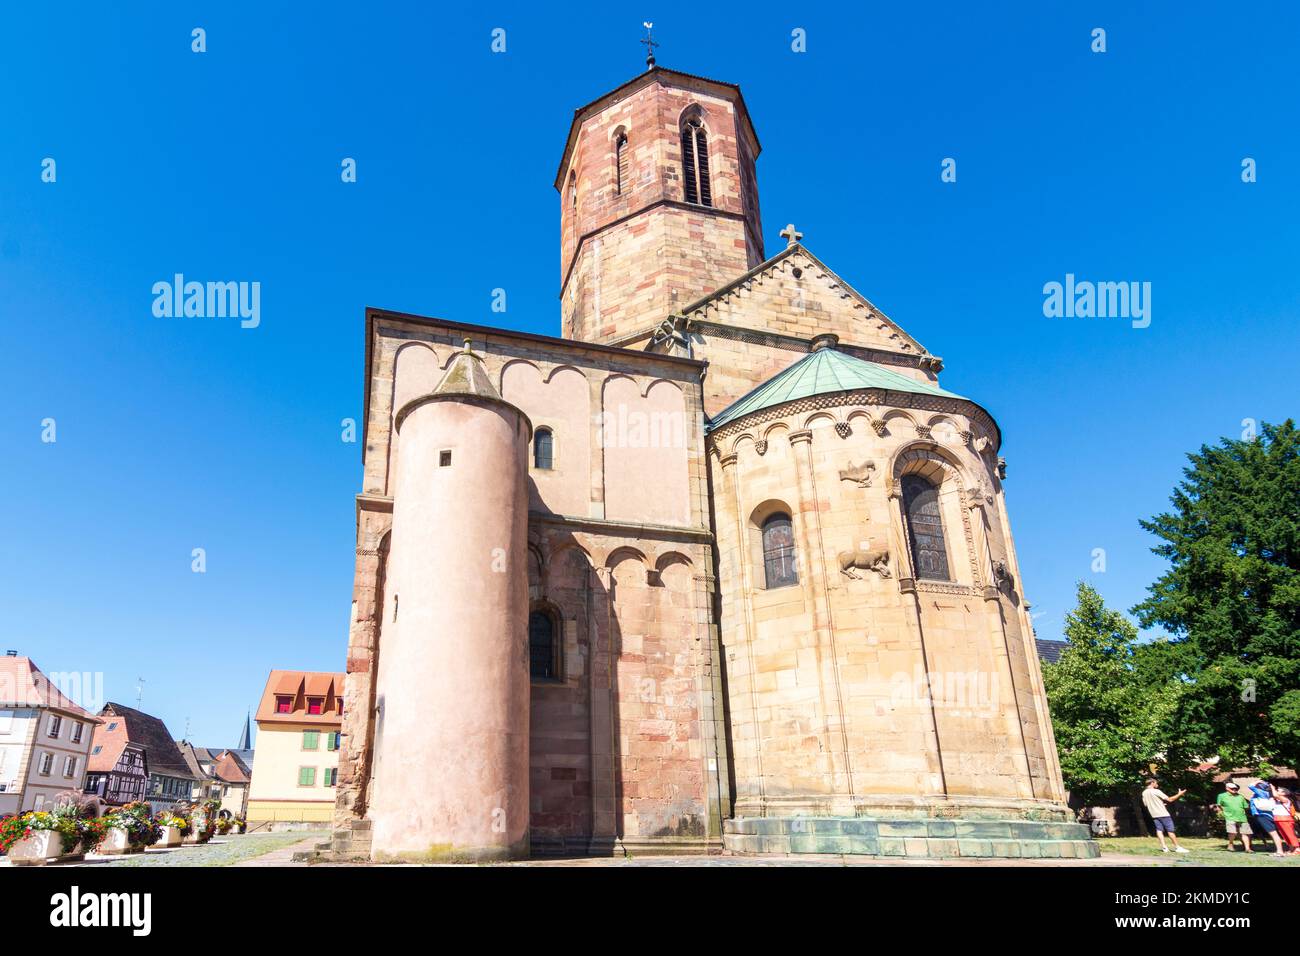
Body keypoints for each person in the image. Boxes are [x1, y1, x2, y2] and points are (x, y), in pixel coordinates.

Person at [1142, 778, 1189, 853]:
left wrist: (1161, 803)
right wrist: (1179, 794)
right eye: (1156, 783)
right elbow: (1170, 799)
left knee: (1159, 830)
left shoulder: (1144, 792)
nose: (1157, 784)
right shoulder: (1156, 791)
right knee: (1170, 830)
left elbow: (1146, 804)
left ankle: (1164, 848)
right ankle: (1177, 847)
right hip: (1163, 814)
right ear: (1152, 783)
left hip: (1154, 815)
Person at [1247, 780, 1286, 857]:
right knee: (1274, 834)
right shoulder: (1267, 793)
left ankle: (1280, 851)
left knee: (1274, 834)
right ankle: (1279, 850)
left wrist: (1258, 781)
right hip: (1268, 815)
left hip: (1263, 815)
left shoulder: (1260, 792)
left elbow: (1250, 786)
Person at [1215, 781, 1252, 853]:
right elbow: (1219, 805)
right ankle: (1231, 844)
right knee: (1233, 832)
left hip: (1242, 817)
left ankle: (1247, 848)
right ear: (1227, 788)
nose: (1234, 790)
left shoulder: (1240, 796)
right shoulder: (1221, 796)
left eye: (1235, 788)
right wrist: (1223, 812)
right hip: (1230, 817)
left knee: (1245, 833)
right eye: (1232, 788)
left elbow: (1246, 806)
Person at [1271, 786, 1300, 855]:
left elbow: (1275, 794)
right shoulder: (1277, 800)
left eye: (1278, 790)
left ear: (1284, 793)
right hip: (1278, 819)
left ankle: (1297, 849)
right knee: (1285, 835)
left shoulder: (1286, 799)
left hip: (1285, 819)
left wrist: (1272, 788)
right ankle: (1291, 849)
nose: (1277, 791)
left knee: (1290, 835)